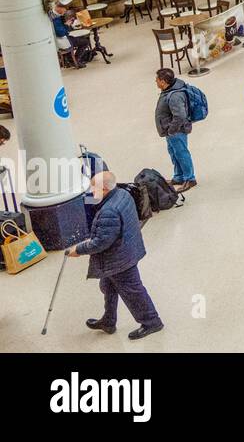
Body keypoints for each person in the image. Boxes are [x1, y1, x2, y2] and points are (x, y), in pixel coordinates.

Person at [69, 170, 163, 340]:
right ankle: (108, 321)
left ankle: (151, 321)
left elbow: (101, 242)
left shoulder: (109, 211)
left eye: (94, 188)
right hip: (126, 249)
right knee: (108, 287)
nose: (91, 191)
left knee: (133, 291)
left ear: (104, 189)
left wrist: (79, 250)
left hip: (119, 260)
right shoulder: (122, 194)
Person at [154, 68, 196, 192]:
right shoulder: (168, 90)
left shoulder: (175, 95)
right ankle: (179, 177)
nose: (155, 82)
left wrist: (172, 130)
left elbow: (180, 116)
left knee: (182, 154)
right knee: (174, 153)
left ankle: (190, 179)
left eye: (157, 79)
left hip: (176, 131)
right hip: (170, 131)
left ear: (163, 81)